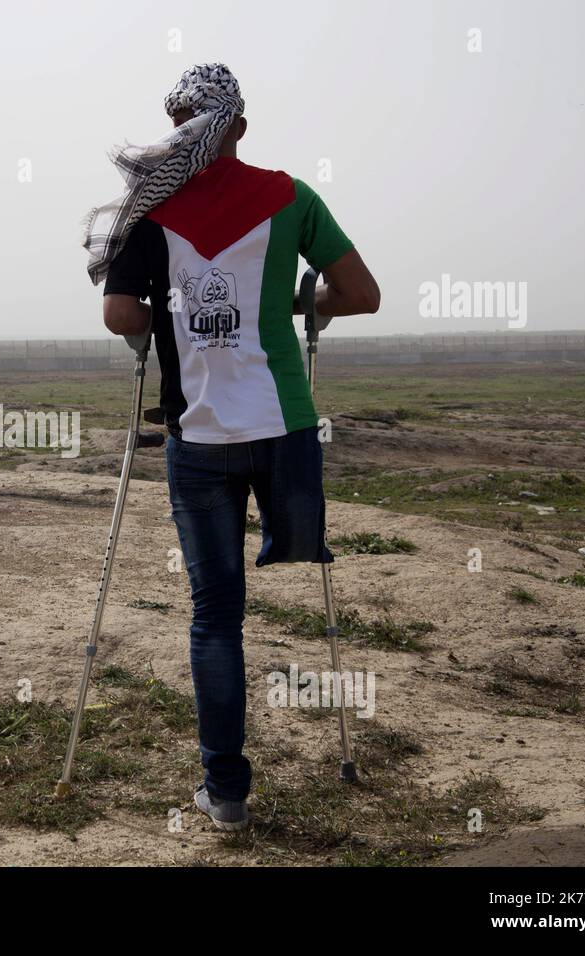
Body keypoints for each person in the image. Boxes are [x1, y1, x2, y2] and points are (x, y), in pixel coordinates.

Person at [85, 63, 380, 831]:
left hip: (200, 435)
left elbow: (120, 314)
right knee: (298, 582)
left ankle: (227, 793)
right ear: (240, 126)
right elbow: (359, 295)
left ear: (175, 124)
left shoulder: (149, 212)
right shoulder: (292, 198)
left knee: (216, 617)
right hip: (285, 433)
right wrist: (298, 302)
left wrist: (169, 327)